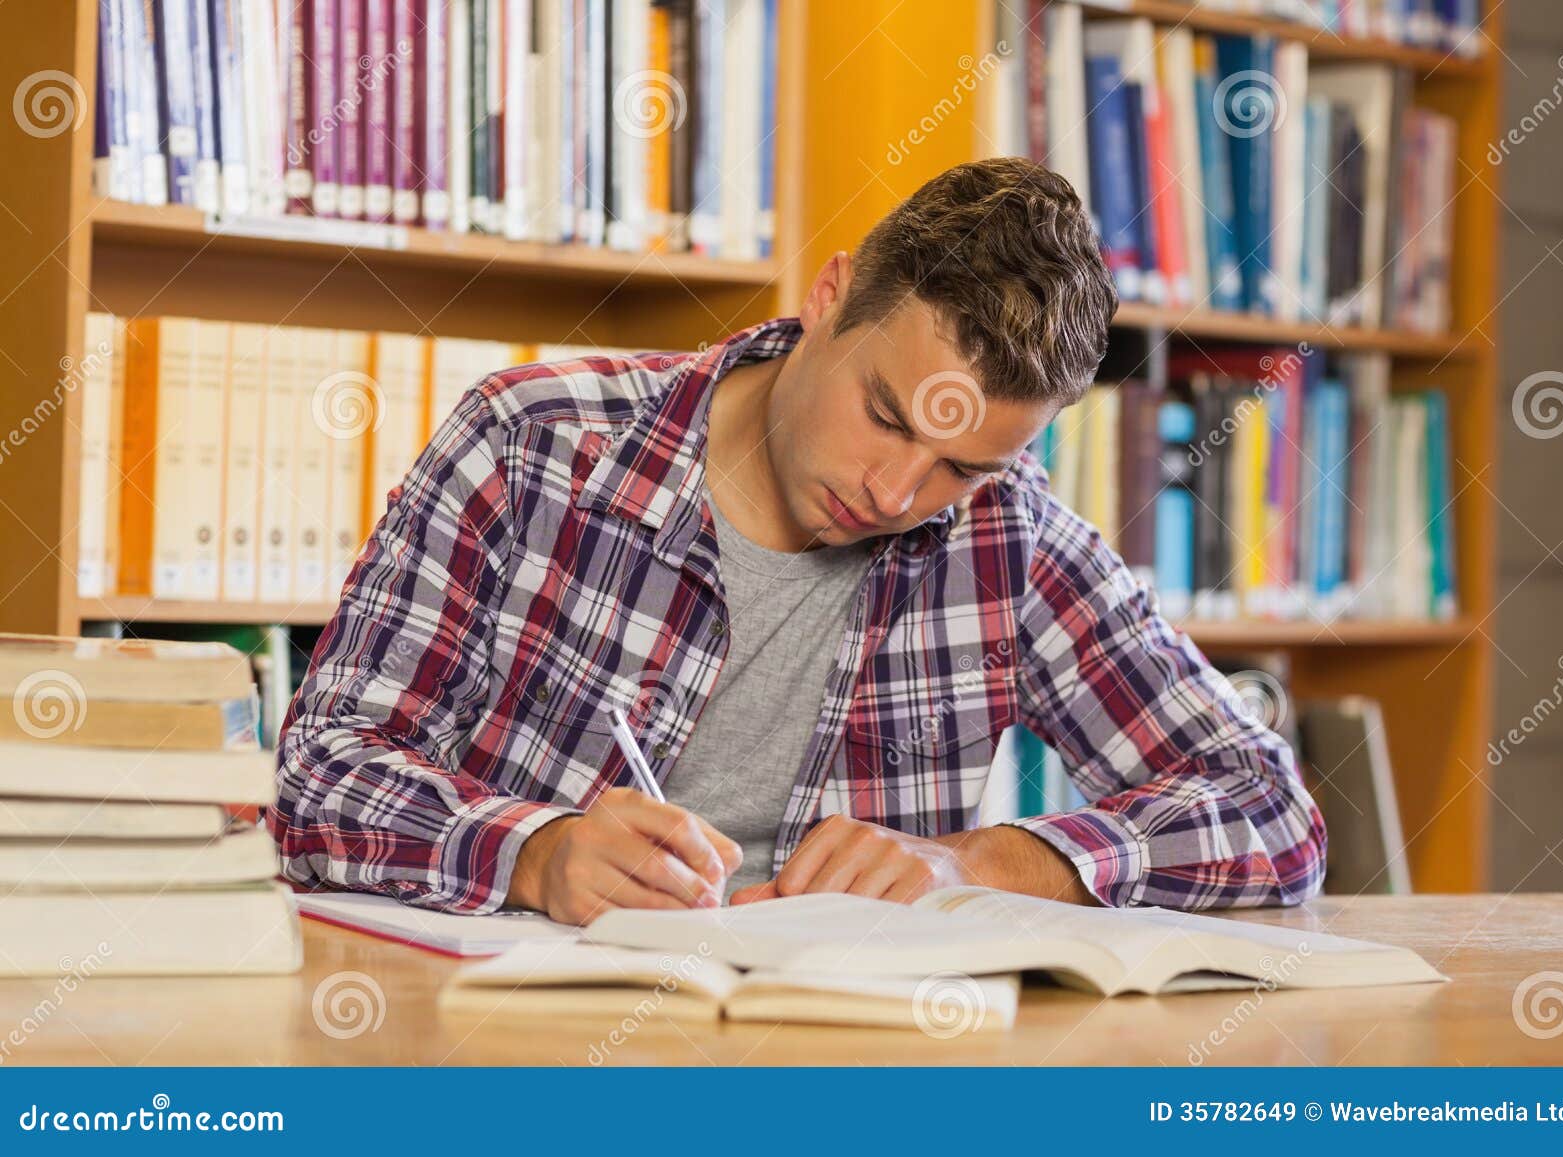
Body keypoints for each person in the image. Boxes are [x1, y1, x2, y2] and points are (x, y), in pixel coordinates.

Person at [270, 158, 1326, 926]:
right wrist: (534, 851)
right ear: (828, 298)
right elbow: (320, 776)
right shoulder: (531, 443)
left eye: (961, 465)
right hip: (520, 1056)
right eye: (886, 415)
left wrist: (984, 863)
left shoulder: (1014, 538)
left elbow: (1268, 807)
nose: (897, 490)